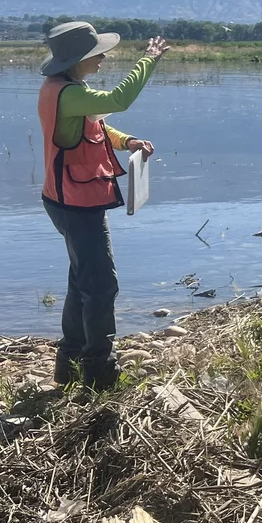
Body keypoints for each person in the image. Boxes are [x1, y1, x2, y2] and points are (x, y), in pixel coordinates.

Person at [38, 21, 169, 389]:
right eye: (97, 54)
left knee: (82, 279)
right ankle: (99, 372)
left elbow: (98, 125)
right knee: (101, 286)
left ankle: (69, 364)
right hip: (75, 202)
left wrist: (128, 142)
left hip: (66, 198)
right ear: (78, 59)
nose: (104, 58)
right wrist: (150, 58)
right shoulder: (67, 93)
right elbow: (118, 101)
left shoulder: (68, 89)